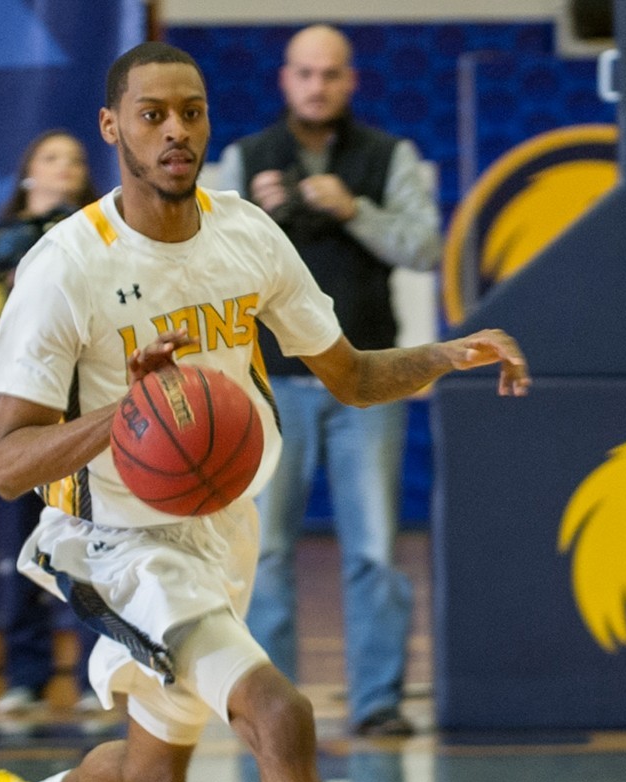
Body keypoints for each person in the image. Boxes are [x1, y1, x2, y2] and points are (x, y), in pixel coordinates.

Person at [0, 42, 529, 782]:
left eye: (190, 113)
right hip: (115, 542)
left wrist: (451, 353)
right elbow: (7, 464)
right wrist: (120, 417)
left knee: (151, 773)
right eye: (150, 116)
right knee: (281, 716)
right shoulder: (67, 266)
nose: (175, 132)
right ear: (113, 128)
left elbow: (351, 376)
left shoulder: (245, 235)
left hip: (217, 526)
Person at [209, 25, 441, 737]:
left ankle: (377, 701)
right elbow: (207, 266)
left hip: (366, 378)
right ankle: (272, 708)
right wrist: (258, 220)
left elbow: (426, 245)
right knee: (267, 551)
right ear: (286, 80)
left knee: (373, 547)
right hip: (269, 384)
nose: (318, 86)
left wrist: (353, 209)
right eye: (306, 73)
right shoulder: (247, 160)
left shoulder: (387, 156)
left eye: (331, 73)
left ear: (350, 81)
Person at [0, 129, 110, 734]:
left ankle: (93, 678)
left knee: (88, 545)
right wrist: (20, 288)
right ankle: (25, 681)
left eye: (77, 158)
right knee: (23, 550)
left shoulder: (100, 238)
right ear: (29, 171)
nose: (66, 167)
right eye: (53, 157)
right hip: (23, 416)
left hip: (83, 415)